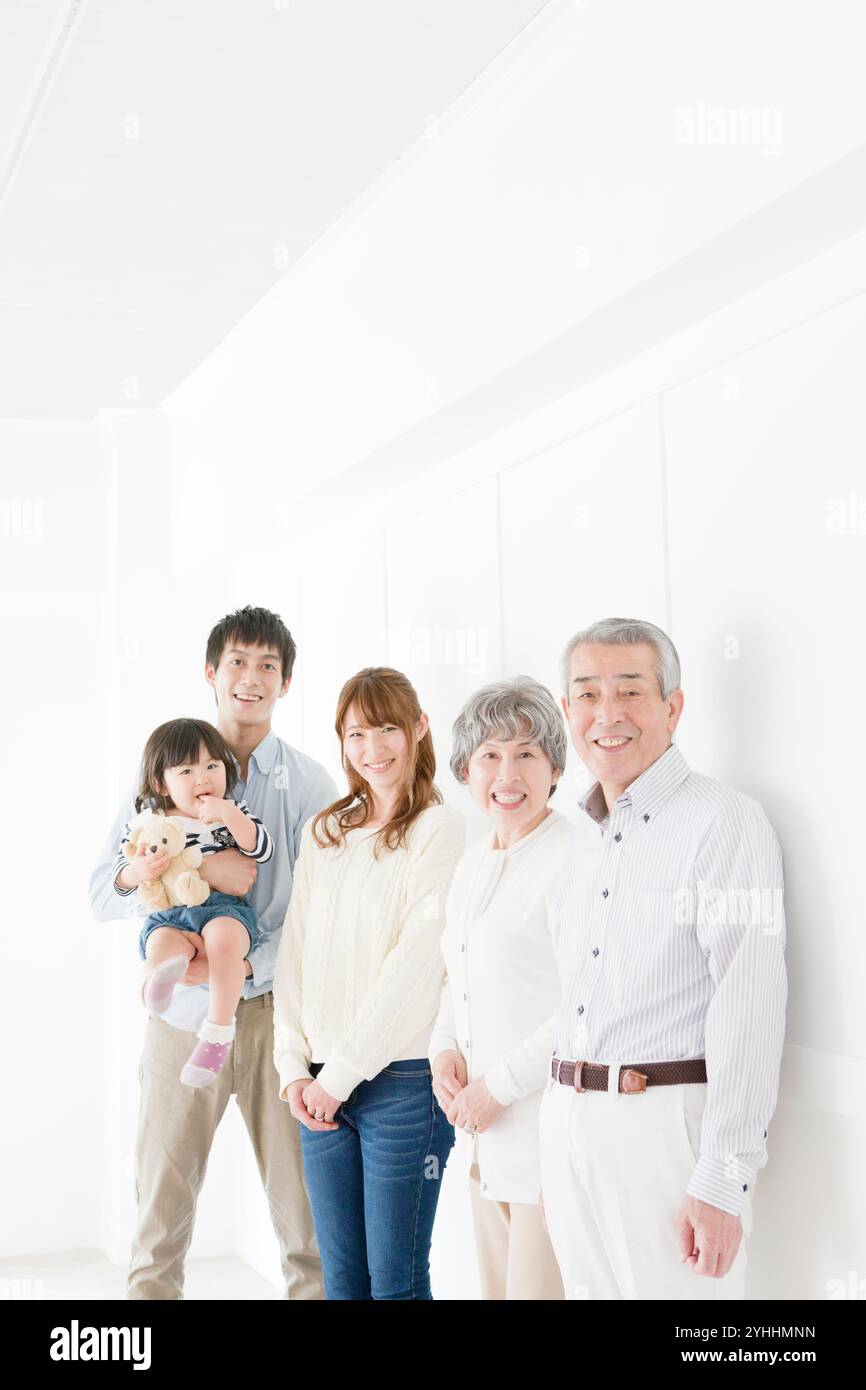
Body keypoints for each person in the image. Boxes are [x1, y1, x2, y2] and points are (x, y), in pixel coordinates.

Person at [90, 605, 338, 1300]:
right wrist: (175, 882)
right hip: (179, 1022)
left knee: (307, 1225)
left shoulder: (310, 785)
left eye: (268, 666)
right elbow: (103, 891)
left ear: (286, 682)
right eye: (237, 662)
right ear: (211, 672)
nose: (251, 678)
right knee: (158, 1219)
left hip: (278, 1022)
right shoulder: (163, 773)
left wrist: (242, 962)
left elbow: (323, 915)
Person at [539, 617, 787, 1300]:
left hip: (662, 1127)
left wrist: (722, 1177)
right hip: (567, 1122)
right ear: (567, 711)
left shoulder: (724, 820)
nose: (607, 714)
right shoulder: (580, 838)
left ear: (672, 708)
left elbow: (750, 1000)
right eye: (586, 695)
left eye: (631, 692)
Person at [272, 667, 466, 1300]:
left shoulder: (438, 828)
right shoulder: (325, 831)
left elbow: (417, 964)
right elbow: (294, 953)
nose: (373, 748)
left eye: (387, 729)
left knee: (396, 1284)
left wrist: (336, 1078)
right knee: (343, 1284)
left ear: (418, 729)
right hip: (318, 1086)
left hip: (402, 1084)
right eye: (356, 734)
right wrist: (294, 1069)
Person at [429, 676, 571, 1300]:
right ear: (466, 769)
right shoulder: (475, 860)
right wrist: (444, 1052)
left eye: (526, 754)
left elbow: (586, 1009)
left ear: (555, 768)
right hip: (487, 1141)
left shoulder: (575, 858)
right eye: (490, 755)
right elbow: (454, 976)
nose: (506, 774)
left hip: (549, 1139)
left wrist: (497, 1088)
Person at [118, 716, 274, 1086]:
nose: (203, 778)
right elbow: (121, 878)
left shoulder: (231, 812)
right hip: (170, 913)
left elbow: (261, 849)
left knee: (224, 942)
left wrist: (231, 815)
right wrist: (139, 870)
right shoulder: (149, 821)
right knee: (161, 946)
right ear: (162, 783)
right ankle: (156, 985)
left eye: (212, 766)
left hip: (224, 909)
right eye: (186, 770)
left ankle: (216, 1035)